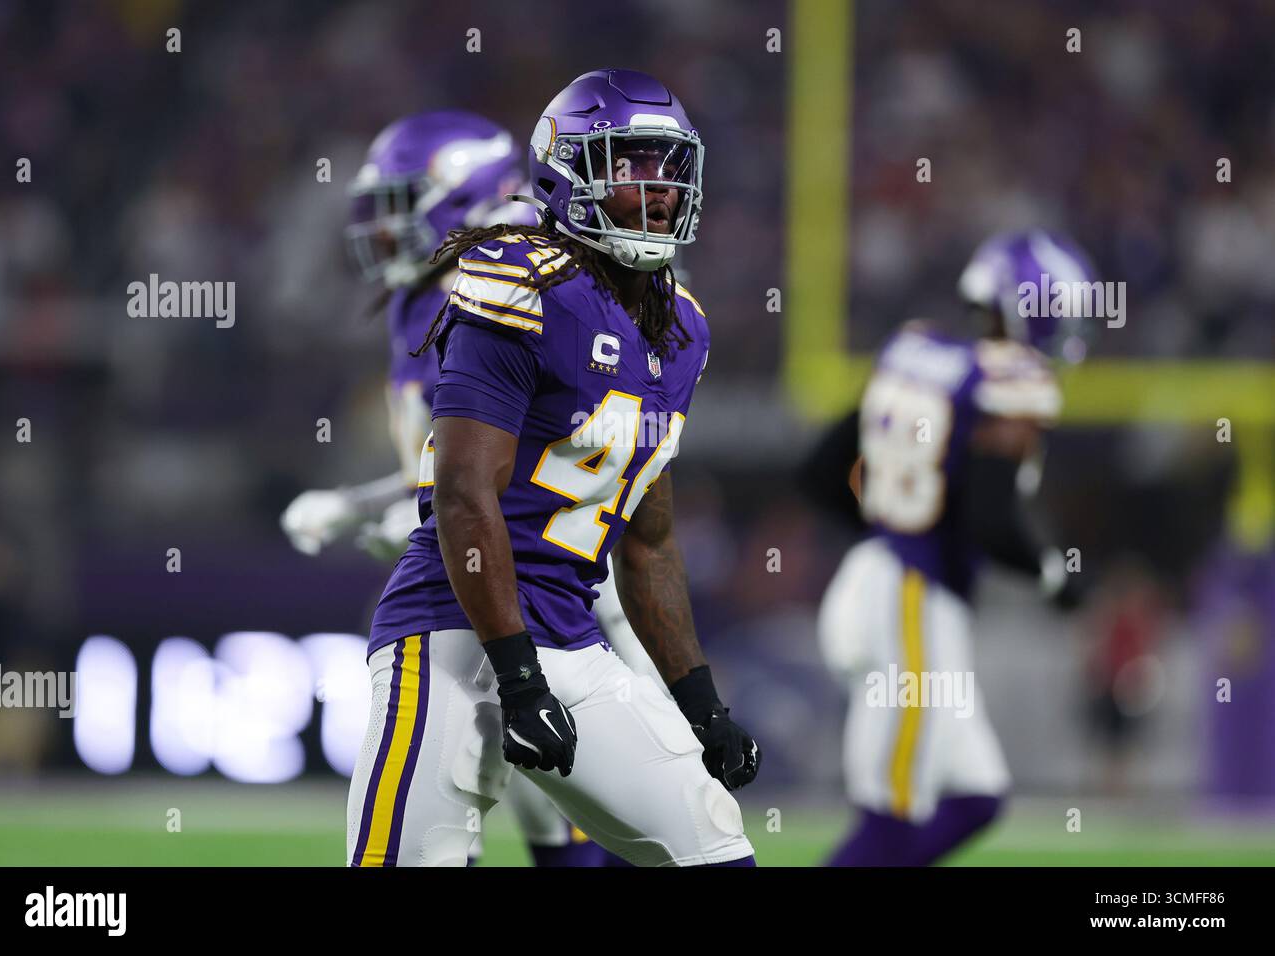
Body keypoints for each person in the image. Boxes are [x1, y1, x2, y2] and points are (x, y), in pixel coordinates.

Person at [346, 69, 759, 867]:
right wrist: (517, 676)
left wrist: (702, 706)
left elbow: (648, 540)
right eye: (630, 164)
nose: (659, 189)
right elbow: (465, 495)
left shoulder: (681, 328)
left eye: (669, 167)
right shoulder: (516, 281)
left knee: (714, 846)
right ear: (564, 171)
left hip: (570, 639)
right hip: (451, 636)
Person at [281, 110, 619, 865]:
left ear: (465, 197)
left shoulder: (496, 295)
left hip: (552, 586)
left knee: (561, 807)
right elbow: (441, 469)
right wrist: (369, 505)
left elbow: (497, 478)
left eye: (400, 207)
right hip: (489, 583)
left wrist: (396, 509)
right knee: (527, 805)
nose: (380, 233)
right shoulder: (426, 295)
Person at [805, 230, 1094, 866]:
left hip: (879, 581)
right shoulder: (1007, 382)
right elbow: (993, 520)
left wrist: (889, 532)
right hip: (913, 600)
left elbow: (822, 471)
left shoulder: (916, 351)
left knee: (976, 798)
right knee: (891, 821)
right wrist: (1055, 575)